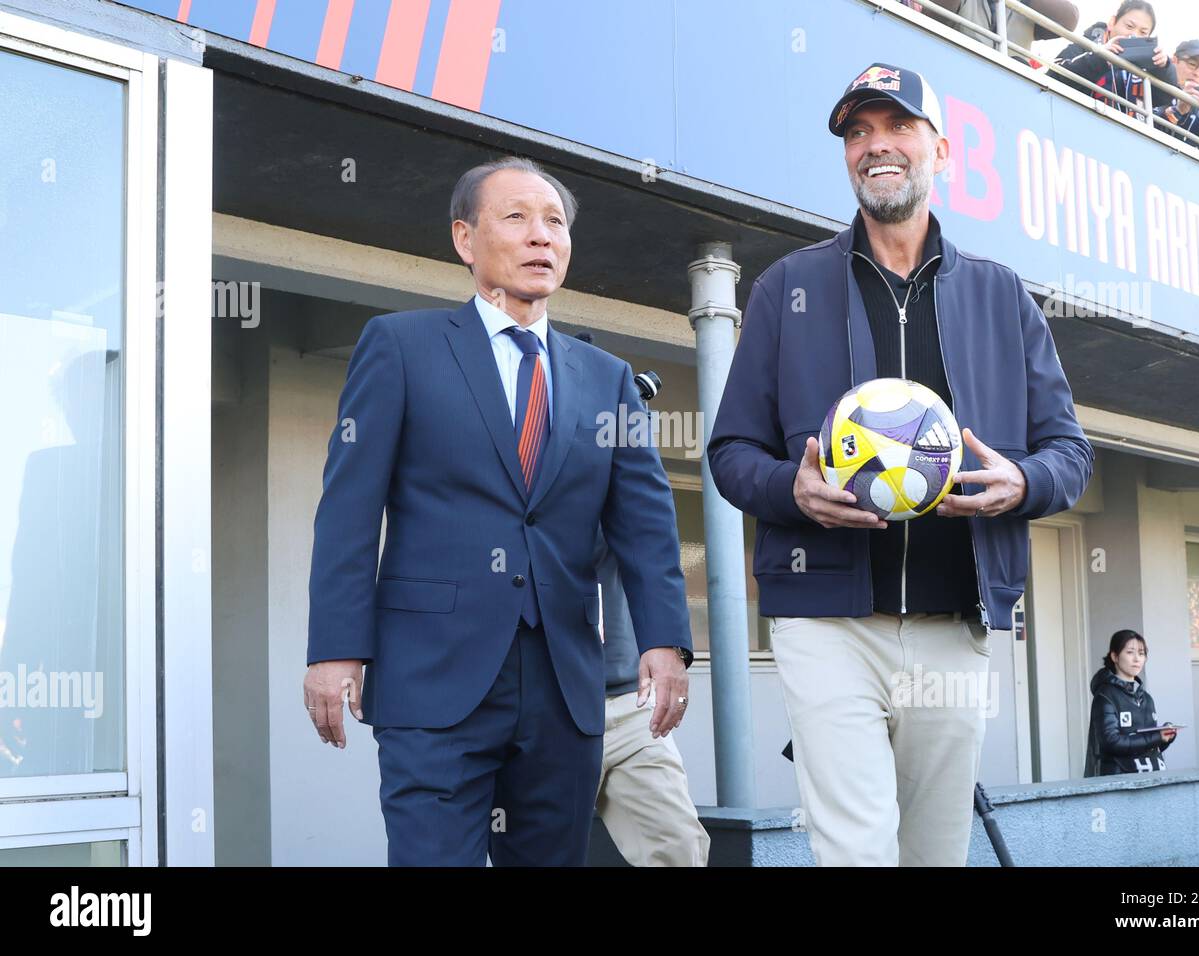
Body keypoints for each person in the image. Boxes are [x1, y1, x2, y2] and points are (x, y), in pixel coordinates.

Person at [707, 62, 1093, 866]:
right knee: (856, 848)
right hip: (827, 624)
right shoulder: (788, 288)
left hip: (957, 624)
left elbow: (1070, 453)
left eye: (898, 127)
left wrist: (1023, 483)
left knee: (932, 852)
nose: (876, 146)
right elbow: (731, 453)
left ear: (940, 149)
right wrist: (794, 490)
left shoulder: (1000, 295)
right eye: (858, 131)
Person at [303, 156, 694, 867]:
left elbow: (646, 523)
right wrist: (335, 648)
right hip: (432, 679)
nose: (542, 237)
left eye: (555, 223)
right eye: (516, 218)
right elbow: (348, 513)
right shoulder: (400, 346)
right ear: (464, 238)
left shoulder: (605, 380)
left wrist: (665, 642)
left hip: (565, 688)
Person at [593, 530, 710, 866]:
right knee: (537, 847)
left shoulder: (619, 487)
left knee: (680, 845)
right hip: (545, 700)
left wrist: (671, 647)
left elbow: (654, 555)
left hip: (632, 702)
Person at [1055, 2, 1173, 119]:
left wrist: (1163, 68)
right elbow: (1054, 76)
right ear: (1112, 22)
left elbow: (1164, 100)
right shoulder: (1085, 46)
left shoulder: (1147, 67)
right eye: (1129, 26)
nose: (1134, 35)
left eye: (1143, 32)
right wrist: (1100, 57)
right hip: (1075, 120)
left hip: (1125, 132)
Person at [1084, 630, 1177, 775]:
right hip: (1120, 782)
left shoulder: (1146, 698)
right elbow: (1111, 742)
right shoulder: (1105, 696)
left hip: (1152, 778)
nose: (1137, 659)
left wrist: (1165, 738)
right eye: (1130, 652)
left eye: (1141, 653)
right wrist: (1155, 737)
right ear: (1114, 656)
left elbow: (1147, 746)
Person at [925, 0, 1080, 58]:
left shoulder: (1026, 7)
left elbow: (1070, 19)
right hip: (957, 79)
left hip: (1010, 92)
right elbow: (931, 17)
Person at [1153, 39, 1199, 143]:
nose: (1197, 73)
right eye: (1192, 64)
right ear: (1174, 60)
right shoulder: (1153, 82)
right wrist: (1177, 111)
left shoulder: (1198, 105)